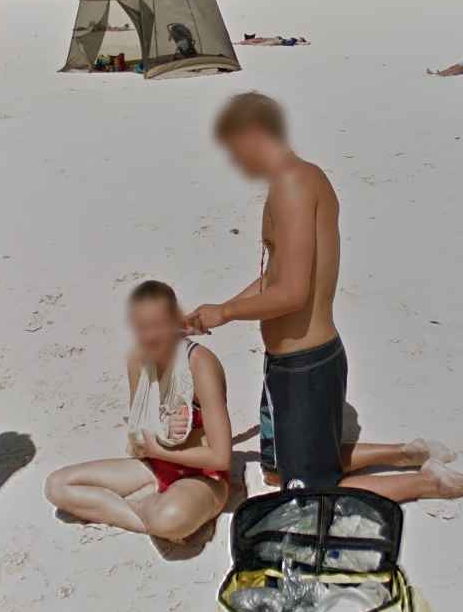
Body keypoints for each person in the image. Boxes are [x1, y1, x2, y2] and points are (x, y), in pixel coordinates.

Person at [186, 93, 349, 490]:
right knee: (279, 471)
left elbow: (292, 293)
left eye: (234, 149)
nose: (235, 162)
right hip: (288, 364)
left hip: (304, 366)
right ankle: (404, 453)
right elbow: (276, 277)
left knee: (309, 491)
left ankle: (431, 482)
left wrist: (226, 314)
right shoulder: (297, 179)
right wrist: (222, 308)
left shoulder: (292, 185)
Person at [44, 281, 234, 542]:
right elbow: (138, 438)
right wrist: (153, 441)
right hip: (156, 466)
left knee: (170, 519)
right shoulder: (138, 360)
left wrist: (162, 447)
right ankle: (145, 515)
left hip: (201, 476)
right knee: (58, 486)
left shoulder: (200, 363)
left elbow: (221, 457)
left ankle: (139, 507)